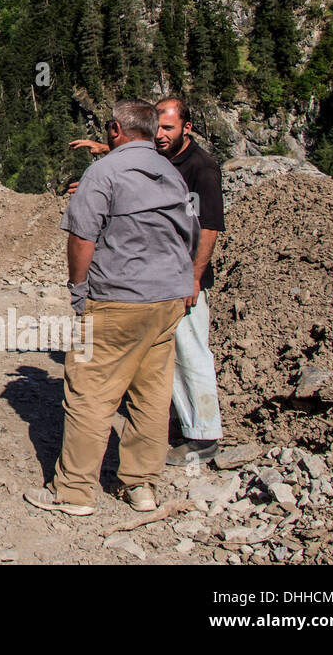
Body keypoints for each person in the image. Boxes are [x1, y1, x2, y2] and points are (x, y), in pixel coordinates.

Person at [24, 100, 197, 516]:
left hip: (118, 297)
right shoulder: (170, 173)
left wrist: (79, 290)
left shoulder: (102, 172)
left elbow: (82, 238)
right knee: (151, 397)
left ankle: (74, 492)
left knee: (89, 393)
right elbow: (188, 232)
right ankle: (141, 487)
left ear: (116, 130)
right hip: (167, 299)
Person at [155, 96, 225, 465]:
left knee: (190, 352)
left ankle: (203, 437)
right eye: (157, 127)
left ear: (187, 128)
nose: (160, 134)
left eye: (168, 127)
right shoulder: (164, 158)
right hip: (160, 276)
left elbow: (210, 227)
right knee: (168, 352)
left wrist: (194, 278)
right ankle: (180, 423)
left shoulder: (202, 168)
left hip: (185, 277)